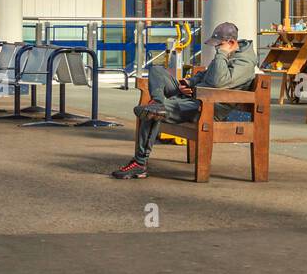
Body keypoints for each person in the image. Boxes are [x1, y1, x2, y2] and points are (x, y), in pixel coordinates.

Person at [111, 21, 258, 180]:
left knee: (152, 113)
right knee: (157, 71)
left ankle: (139, 164)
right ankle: (159, 103)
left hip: (207, 107)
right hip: (194, 97)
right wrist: (190, 82)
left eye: (218, 45)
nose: (216, 49)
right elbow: (207, 74)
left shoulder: (245, 62)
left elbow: (219, 82)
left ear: (231, 42)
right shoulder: (229, 52)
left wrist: (221, 54)